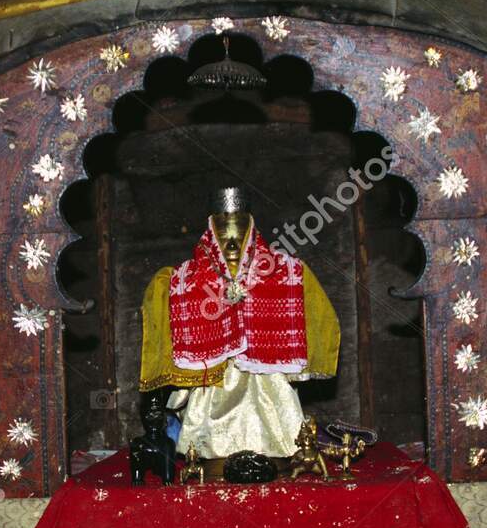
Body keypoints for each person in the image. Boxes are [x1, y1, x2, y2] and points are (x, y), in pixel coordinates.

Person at [138, 186, 338, 459]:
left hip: (266, 379)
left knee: (276, 413)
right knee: (207, 423)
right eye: (224, 235)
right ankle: (209, 455)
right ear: (212, 236)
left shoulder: (284, 271)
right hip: (214, 382)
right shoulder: (186, 279)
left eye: (239, 235)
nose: (232, 245)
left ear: (250, 234)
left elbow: (317, 313)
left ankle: (275, 451)